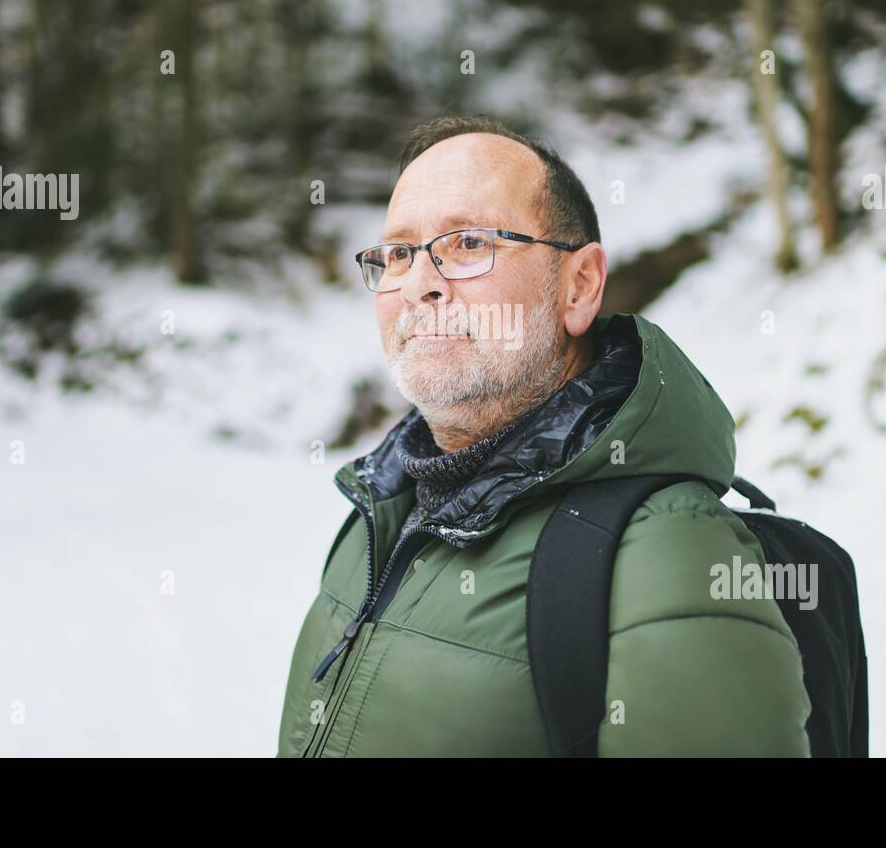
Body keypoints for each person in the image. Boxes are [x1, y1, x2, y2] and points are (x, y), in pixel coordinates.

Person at [276, 114, 811, 757]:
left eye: (469, 243)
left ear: (579, 286)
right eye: (397, 253)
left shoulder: (670, 557)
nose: (418, 283)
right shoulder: (379, 509)